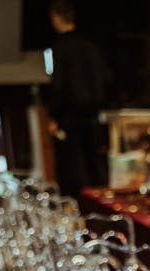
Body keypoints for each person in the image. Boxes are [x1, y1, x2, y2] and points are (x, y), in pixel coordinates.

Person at [48, 0, 108, 197]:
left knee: (75, 166)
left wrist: (53, 116)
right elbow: (102, 79)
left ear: (57, 18)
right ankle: (98, 201)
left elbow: (59, 84)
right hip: (93, 112)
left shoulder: (59, 48)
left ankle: (81, 207)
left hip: (70, 114)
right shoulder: (90, 46)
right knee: (95, 163)